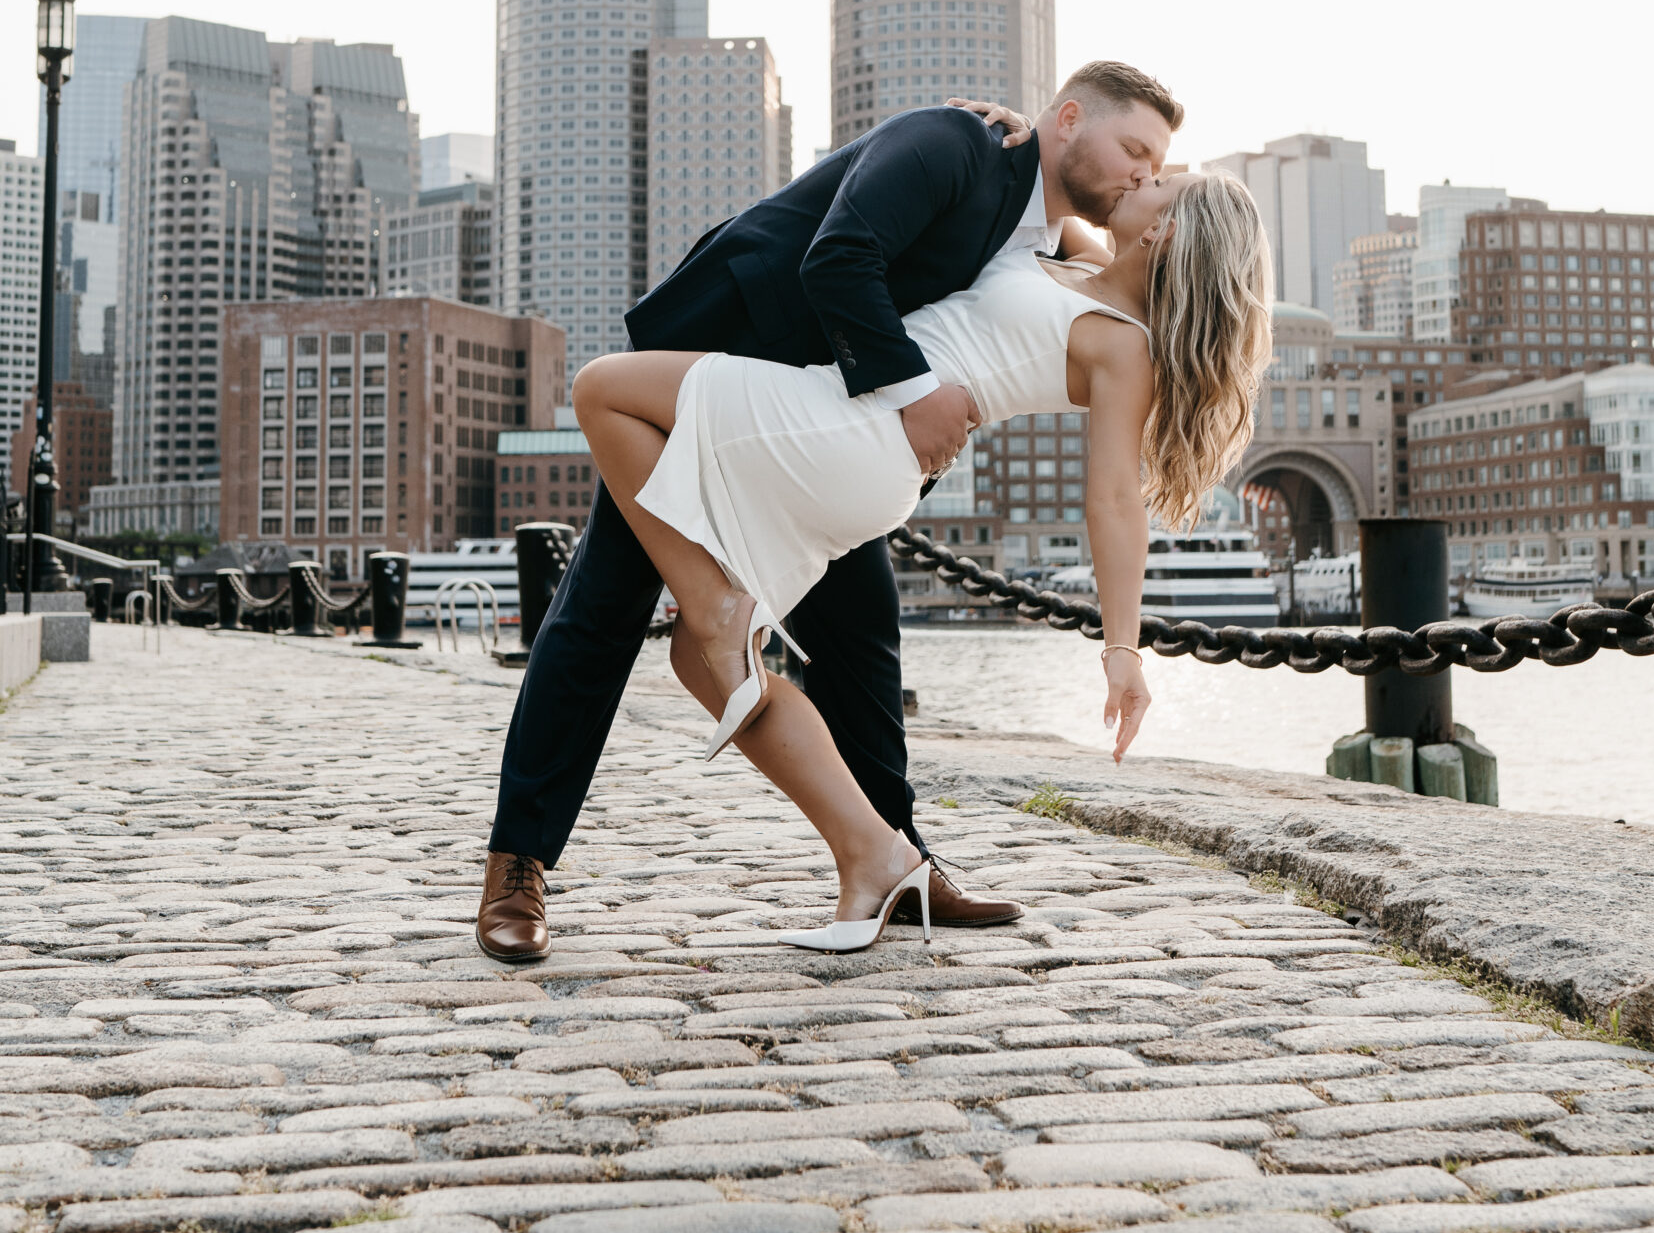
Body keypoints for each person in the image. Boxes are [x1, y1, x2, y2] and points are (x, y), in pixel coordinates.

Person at [478, 61, 1183, 963]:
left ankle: (897, 857)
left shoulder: (1046, 237)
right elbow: (839, 255)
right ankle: (517, 866)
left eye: (1155, 165)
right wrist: (918, 395)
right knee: (602, 610)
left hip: (836, 423)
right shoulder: (951, 142)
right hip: (733, 367)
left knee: (860, 634)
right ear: (1071, 118)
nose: (1139, 172)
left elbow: (1122, 265)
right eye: (1134, 150)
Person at [572, 165, 1271, 950]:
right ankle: (871, 854)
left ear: (1164, 232)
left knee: (602, 388)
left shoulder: (1123, 343)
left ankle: (711, 599)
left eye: (1159, 181)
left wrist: (1122, 651)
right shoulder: (1078, 260)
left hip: (851, 434)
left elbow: (1113, 501)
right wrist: (1010, 128)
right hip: (853, 434)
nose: (1139, 175)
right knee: (701, 665)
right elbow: (1047, 171)